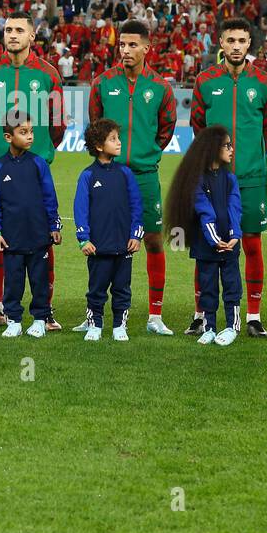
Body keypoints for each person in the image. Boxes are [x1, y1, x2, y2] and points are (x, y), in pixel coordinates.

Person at [78, 20, 177, 336]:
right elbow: (96, 124)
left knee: (152, 240)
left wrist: (144, 152)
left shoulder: (160, 87)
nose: (126, 50)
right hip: (108, 175)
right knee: (99, 242)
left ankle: (155, 315)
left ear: (148, 47)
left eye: (133, 45)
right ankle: (94, 315)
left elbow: (165, 130)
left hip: (144, 174)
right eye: (122, 44)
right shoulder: (103, 82)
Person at [0, 12, 66, 330]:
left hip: (34, 169)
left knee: (41, 239)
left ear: (32, 36)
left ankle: (45, 309)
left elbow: (58, 123)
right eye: (8, 29)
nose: (12, 35)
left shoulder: (48, 74)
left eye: (19, 30)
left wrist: (40, 153)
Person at [185, 17, 267, 338]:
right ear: (220, 44)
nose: (236, 46)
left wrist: (249, 156)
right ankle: (201, 314)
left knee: (251, 243)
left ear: (249, 44)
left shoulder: (264, 82)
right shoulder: (205, 81)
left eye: (242, 40)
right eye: (230, 40)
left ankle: (253, 315)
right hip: (212, 179)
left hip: (251, 177)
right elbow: (199, 126)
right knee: (204, 244)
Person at [0, 112, 62, 339]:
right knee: (14, 282)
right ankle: (14, 320)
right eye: (23, 132)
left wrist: (54, 226)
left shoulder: (38, 163)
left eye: (31, 132)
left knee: (40, 280)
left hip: (38, 237)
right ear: (8, 137)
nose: (29, 137)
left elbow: (50, 197)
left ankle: (39, 319)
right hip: (12, 238)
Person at [166, 124, 244, 347]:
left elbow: (234, 208)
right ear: (213, 148)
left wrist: (234, 236)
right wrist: (214, 240)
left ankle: (232, 326)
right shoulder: (197, 180)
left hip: (229, 245)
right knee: (207, 287)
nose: (231, 149)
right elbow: (205, 211)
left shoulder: (230, 179)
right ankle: (209, 327)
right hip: (207, 245)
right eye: (227, 145)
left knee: (232, 286)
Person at [73, 118, 143, 342]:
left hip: (124, 246)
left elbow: (136, 206)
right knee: (96, 290)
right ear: (99, 146)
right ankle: (95, 325)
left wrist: (136, 235)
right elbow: (80, 209)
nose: (119, 142)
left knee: (122, 289)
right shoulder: (87, 176)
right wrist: (84, 239)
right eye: (113, 139)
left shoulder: (126, 174)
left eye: (118, 138)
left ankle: (119, 326)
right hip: (98, 247)